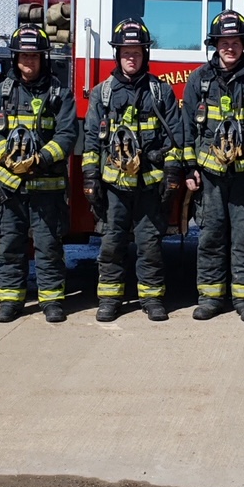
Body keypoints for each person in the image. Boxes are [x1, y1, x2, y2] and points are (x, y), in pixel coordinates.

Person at [82, 18, 184, 322]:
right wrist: (90, 177)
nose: (131, 58)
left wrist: (173, 175)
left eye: (136, 53)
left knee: (149, 243)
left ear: (145, 55)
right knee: (112, 243)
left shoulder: (160, 92)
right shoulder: (103, 93)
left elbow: (174, 137)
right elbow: (90, 141)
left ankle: (151, 298)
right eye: (126, 52)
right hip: (114, 187)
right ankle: (109, 300)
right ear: (117, 55)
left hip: (149, 187)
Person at [0, 25, 77, 323]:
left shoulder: (60, 93)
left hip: (47, 187)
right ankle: (11, 300)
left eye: (34, 57)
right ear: (15, 58)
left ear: (43, 59)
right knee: (10, 244)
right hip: (11, 189)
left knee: (48, 245)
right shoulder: (1, 94)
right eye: (23, 56)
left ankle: (52, 301)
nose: (28, 62)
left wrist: (42, 158)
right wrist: (7, 156)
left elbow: (67, 134)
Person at [182, 10, 244, 323]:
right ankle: (210, 299)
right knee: (210, 236)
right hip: (209, 178)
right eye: (224, 41)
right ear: (215, 43)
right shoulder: (199, 80)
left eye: (235, 41)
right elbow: (186, 129)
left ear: (243, 43)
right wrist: (188, 168)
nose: (230, 47)